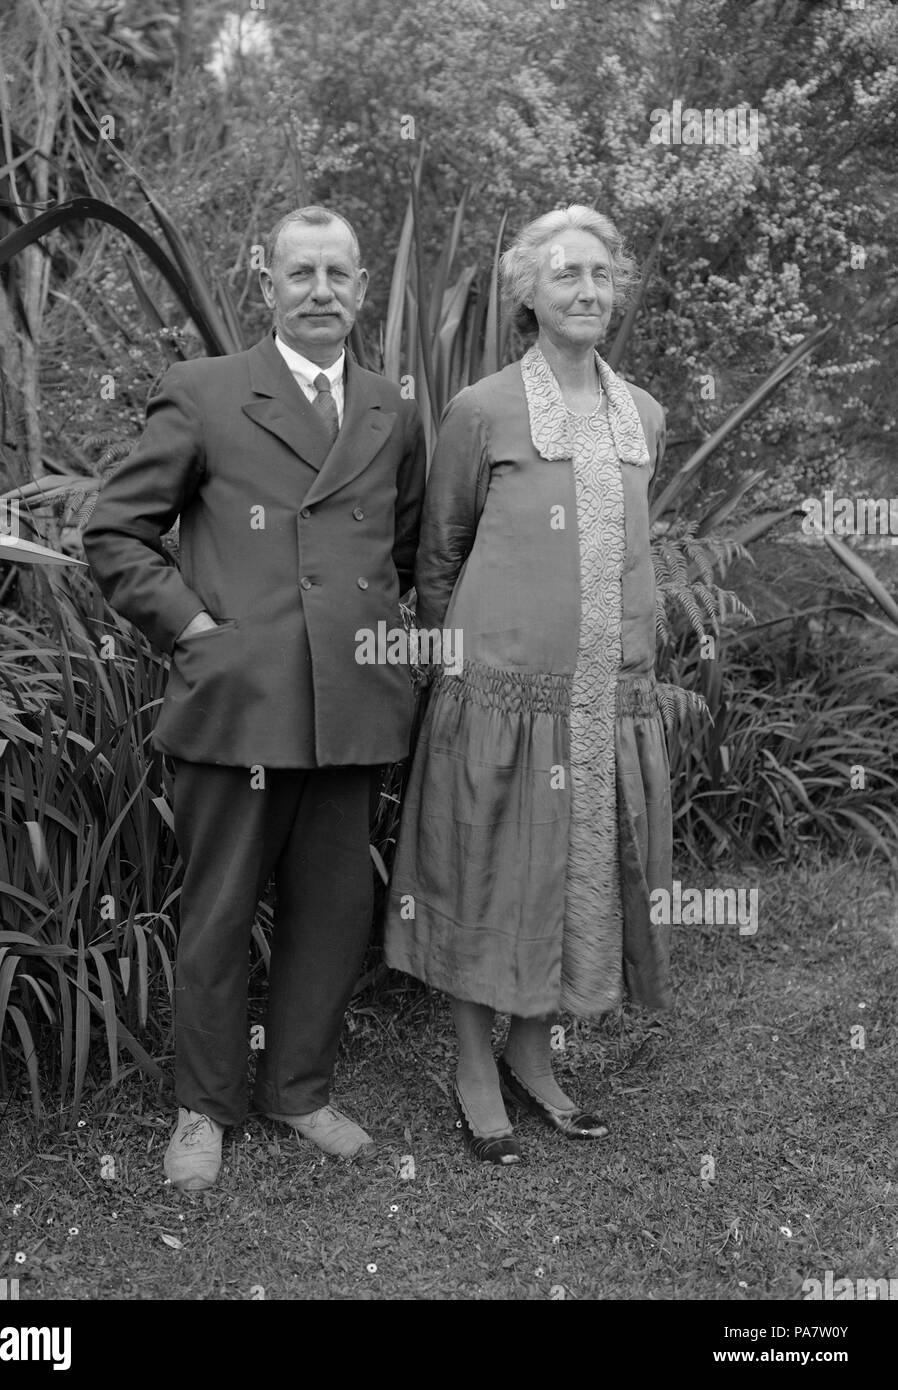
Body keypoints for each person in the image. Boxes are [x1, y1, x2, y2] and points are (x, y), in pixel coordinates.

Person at [84, 206, 426, 1190]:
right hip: (241, 703)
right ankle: (204, 1107)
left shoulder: (390, 408)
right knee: (222, 912)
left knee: (331, 908)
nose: (321, 290)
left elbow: (399, 552)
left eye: (339, 273)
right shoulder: (205, 392)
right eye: (302, 272)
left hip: (350, 704)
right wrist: (196, 631)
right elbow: (114, 532)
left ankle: (302, 1090)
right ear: (265, 282)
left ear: (362, 287)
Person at [385, 204, 672, 1165]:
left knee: (566, 877)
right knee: (484, 873)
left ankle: (531, 1054)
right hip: (499, 700)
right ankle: (472, 1067)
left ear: (616, 289)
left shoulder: (646, 417)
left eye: (598, 274)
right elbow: (440, 552)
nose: (585, 291)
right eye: (564, 275)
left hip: (605, 702)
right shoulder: (484, 410)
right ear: (528, 292)